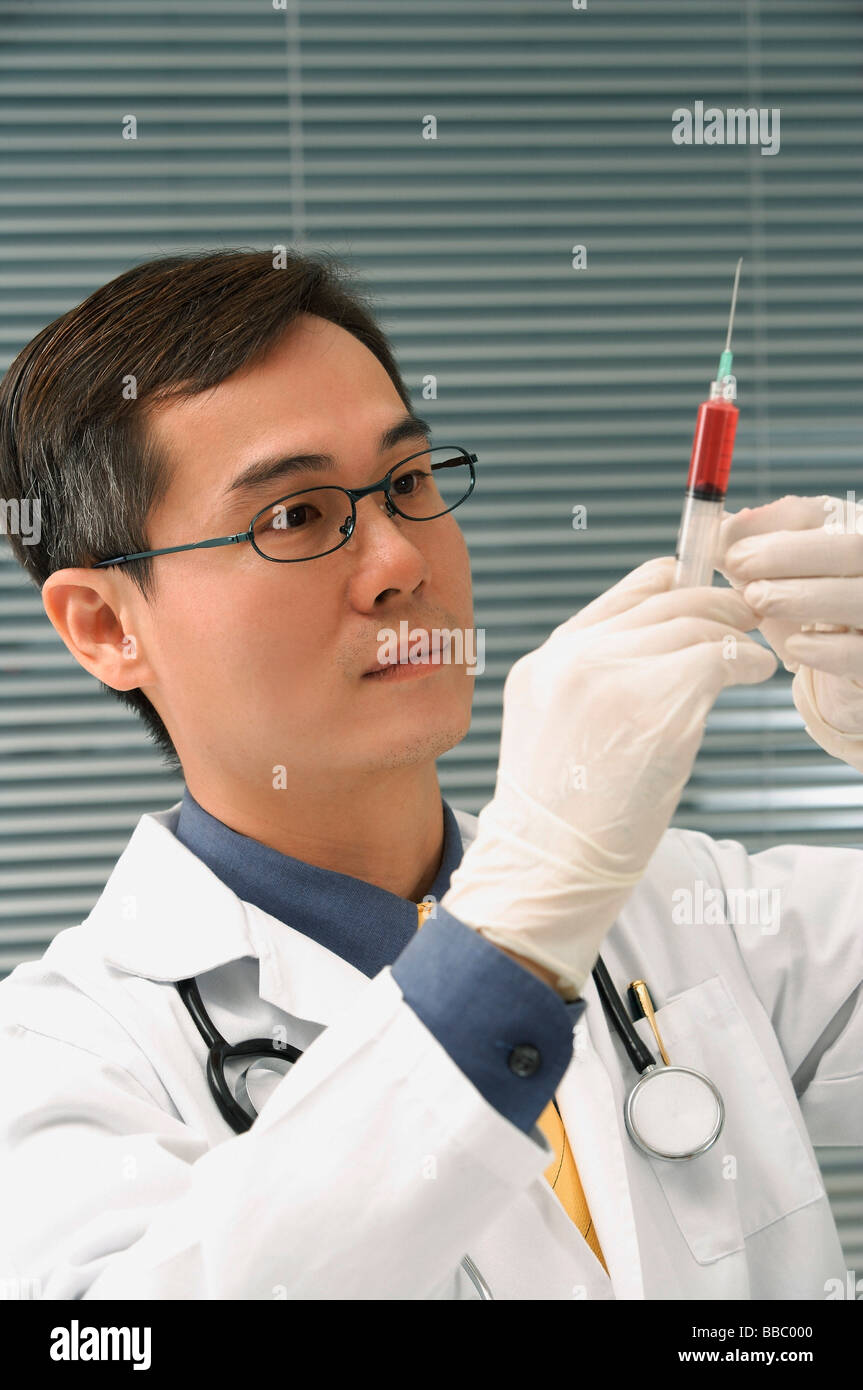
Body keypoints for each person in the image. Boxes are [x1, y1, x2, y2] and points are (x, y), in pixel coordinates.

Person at [0, 248, 860, 1300]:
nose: (401, 561)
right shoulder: (60, 1056)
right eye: (295, 516)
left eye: (406, 483)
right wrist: (513, 938)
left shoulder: (689, 908)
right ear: (104, 626)